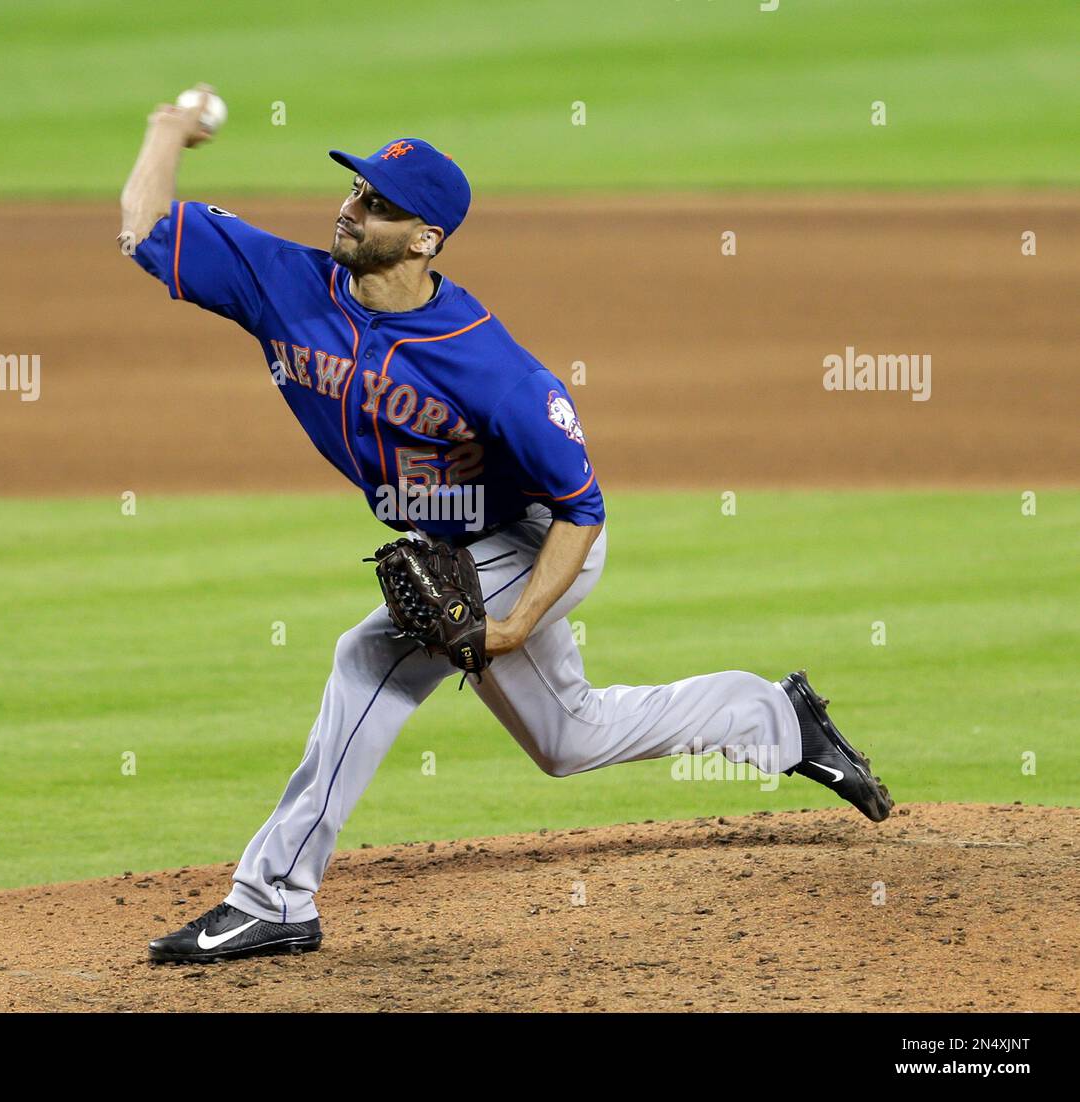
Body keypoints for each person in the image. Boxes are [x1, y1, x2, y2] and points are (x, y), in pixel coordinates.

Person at [119, 96, 892, 963]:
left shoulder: (493, 368)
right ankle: (778, 720)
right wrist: (164, 130)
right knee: (569, 740)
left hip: (527, 542)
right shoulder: (287, 283)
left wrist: (515, 623)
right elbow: (147, 232)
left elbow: (582, 511)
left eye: (378, 202)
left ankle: (274, 898)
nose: (351, 206)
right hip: (457, 546)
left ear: (424, 240)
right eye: (356, 189)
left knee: (368, 660)